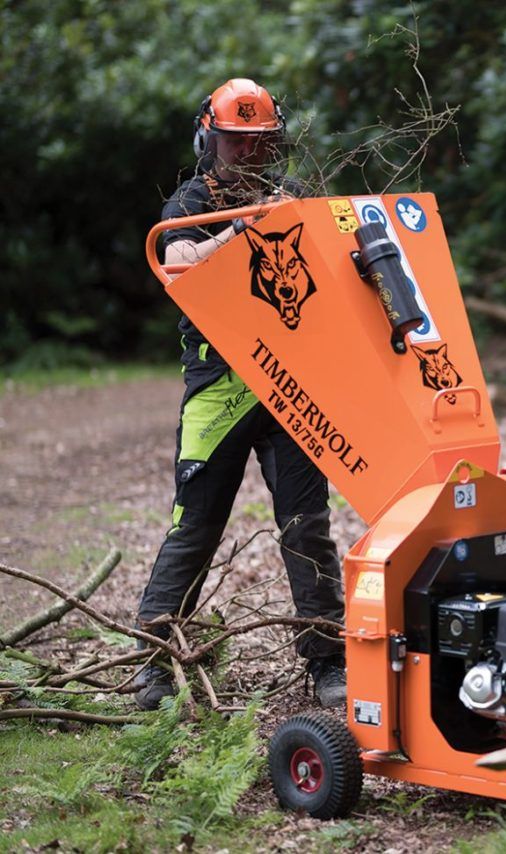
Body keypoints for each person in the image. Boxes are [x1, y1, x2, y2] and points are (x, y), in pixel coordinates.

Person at [134, 79, 346, 710]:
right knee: (195, 528)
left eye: (261, 143)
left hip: (288, 386)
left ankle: (328, 661)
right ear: (210, 138)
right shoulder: (190, 202)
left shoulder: (290, 197)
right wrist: (242, 230)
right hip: (219, 386)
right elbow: (179, 264)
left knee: (307, 527)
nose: (249, 154)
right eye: (237, 142)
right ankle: (154, 662)